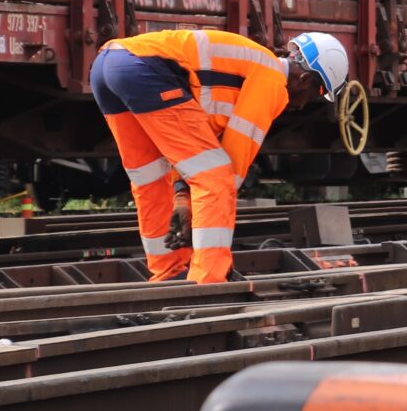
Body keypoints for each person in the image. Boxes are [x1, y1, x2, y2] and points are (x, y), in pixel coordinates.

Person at [90, 28, 346, 282]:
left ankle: (169, 273)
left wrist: (182, 197)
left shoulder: (249, 64)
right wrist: (204, 208)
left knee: (151, 178)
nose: (305, 104)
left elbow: (193, 150)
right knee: (217, 178)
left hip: (109, 64)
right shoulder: (272, 81)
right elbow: (233, 161)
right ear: (305, 80)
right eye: (318, 93)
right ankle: (209, 280)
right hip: (144, 70)